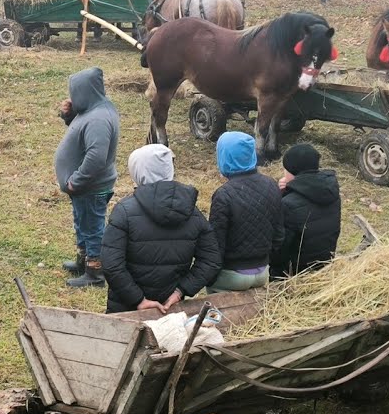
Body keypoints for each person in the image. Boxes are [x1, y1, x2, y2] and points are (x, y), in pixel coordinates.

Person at [100, 145, 220, 313]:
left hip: (126, 308)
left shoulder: (124, 211)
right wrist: (180, 291)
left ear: (137, 172)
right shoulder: (192, 212)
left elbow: (111, 264)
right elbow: (211, 259)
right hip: (170, 308)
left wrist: (138, 300)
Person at [55, 67, 120, 288]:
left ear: (86, 91)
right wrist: (69, 115)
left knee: (92, 228)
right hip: (85, 187)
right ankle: (83, 261)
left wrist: (76, 181)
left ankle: (95, 273)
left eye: (75, 93)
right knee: (83, 222)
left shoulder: (98, 119)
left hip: (90, 186)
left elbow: (96, 157)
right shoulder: (94, 110)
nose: (72, 98)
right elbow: (80, 132)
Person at [207, 132, 283, 293]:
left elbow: (216, 243)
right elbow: (278, 234)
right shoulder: (271, 184)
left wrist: (209, 276)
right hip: (263, 272)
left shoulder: (223, 194)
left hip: (232, 274)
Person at [270, 144, 341, 277]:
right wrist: (290, 188)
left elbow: (280, 250)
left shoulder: (288, 204)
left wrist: (280, 195)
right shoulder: (331, 191)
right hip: (324, 262)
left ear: (291, 170)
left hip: (295, 271)